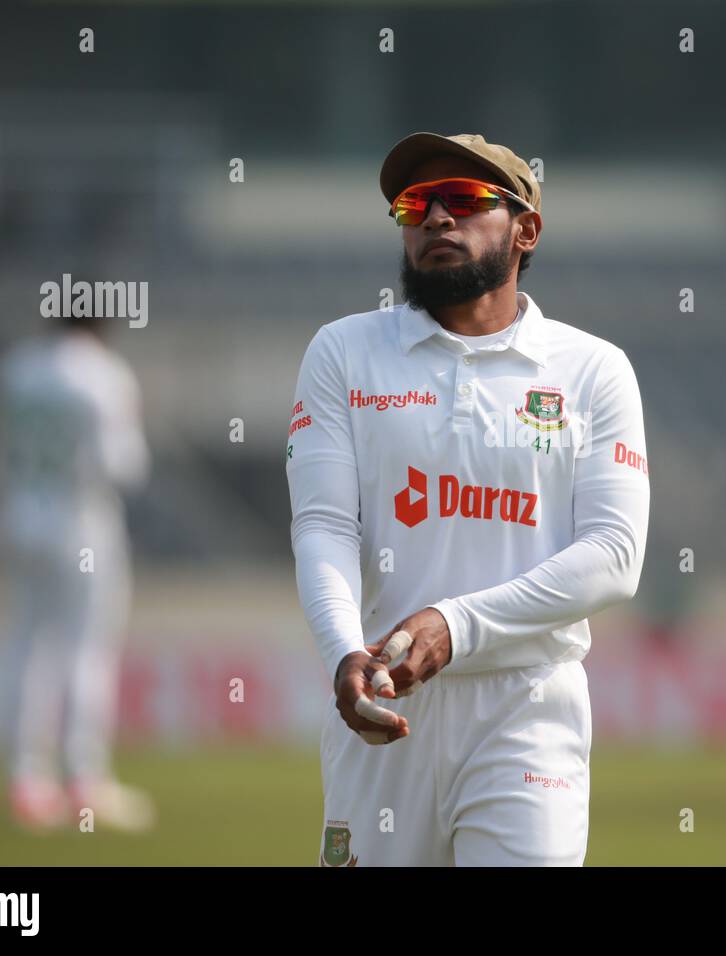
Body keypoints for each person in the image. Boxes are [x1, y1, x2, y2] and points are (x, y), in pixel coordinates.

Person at [286, 132, 650, 865]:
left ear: (526, 229)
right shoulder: (344, 351)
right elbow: (323, 524)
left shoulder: (593, 369)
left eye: (465, 200)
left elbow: (614, 557)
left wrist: (457, 625)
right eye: (416, 203)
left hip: (528, 706)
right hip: (386, 707)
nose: (436, 219)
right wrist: (340, 655)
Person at [0, 307, 154, 831]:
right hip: (81, 520)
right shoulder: (104, 375)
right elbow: (124, 464)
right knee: (88, 648)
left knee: (27, 645)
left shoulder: (18, 368)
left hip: (22, 512)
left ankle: (27, 782)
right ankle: (86, 780)